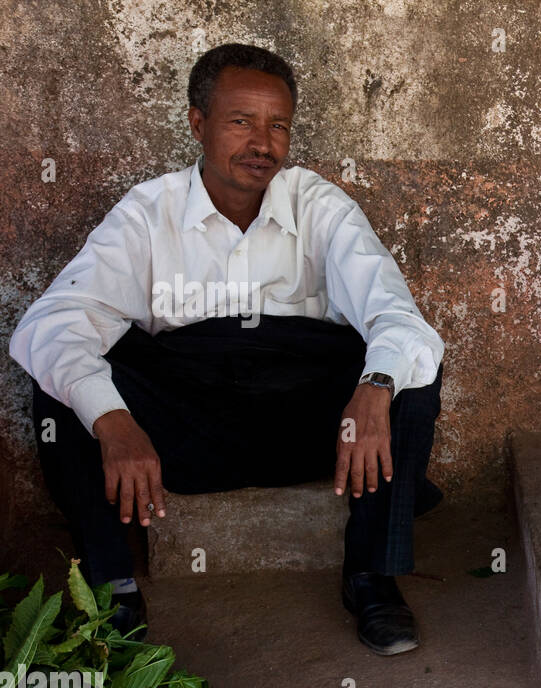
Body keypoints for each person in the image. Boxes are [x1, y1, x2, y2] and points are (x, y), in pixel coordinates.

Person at [8, 44, 446, 656]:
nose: (261, 142)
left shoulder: (318, 206)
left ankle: (372, 578)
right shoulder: (147, 214)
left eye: (278, 125)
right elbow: (54, 322)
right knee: (59, 377)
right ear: (198, 124)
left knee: (409, 368)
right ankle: (115, 589)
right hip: (188, 430)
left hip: (307, 426)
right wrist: (112, 420)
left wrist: (374, 389)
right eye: (241, 121)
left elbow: (399, 317)